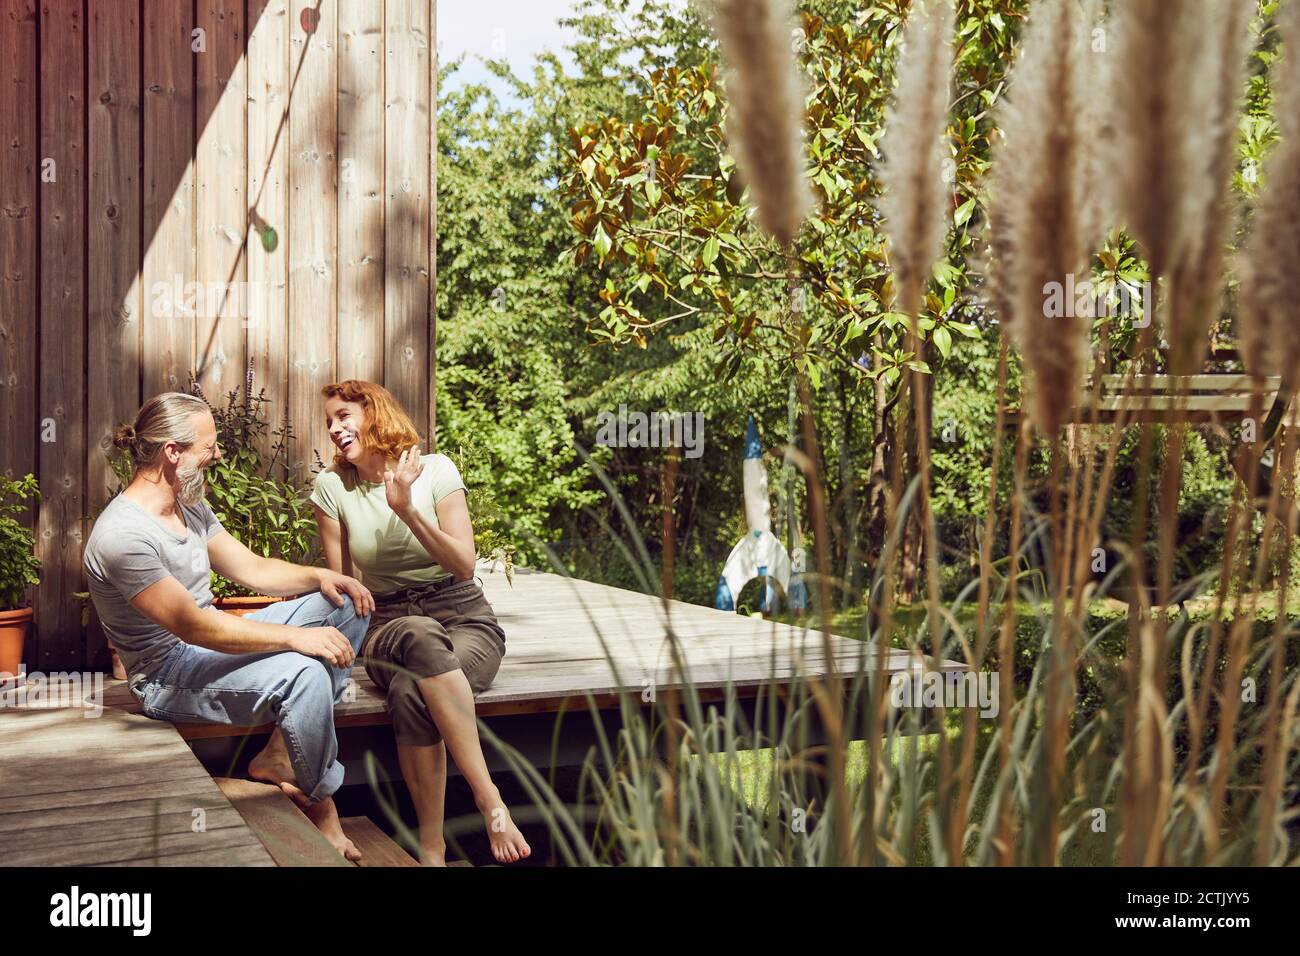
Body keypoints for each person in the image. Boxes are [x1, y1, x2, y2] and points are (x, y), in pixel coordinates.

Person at [84, 392, 376, 861]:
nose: (218, 454)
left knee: (348, 605)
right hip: (167, 675)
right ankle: (322, 805)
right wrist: (295, 638)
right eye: (209, 446)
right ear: (172, 452)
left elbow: (254, 569)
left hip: (207, 645)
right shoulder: (122, 536)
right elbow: (194, 627)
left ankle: (280, 752)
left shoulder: (188, 504)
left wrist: (322, 576)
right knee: (305, 673)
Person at [304, 378, 530, 865]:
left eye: (344, 416)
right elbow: (345, 586)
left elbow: (464, 564)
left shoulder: (435, 471)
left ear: (375, 412)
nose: (334, 429)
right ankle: (489, 798)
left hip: (465, 616)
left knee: (412, 692)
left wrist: (406, 510)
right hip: (390, 624)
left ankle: (431, 849)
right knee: (418, 635)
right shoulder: (332, 487)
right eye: (328, 422)